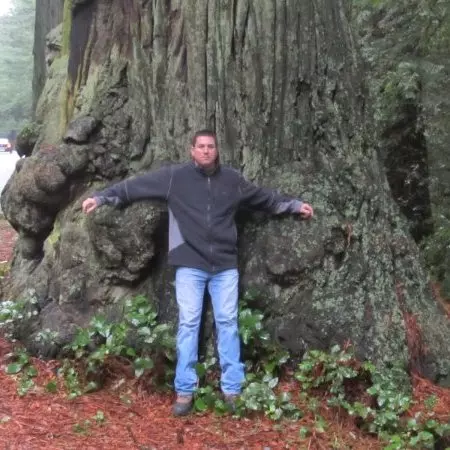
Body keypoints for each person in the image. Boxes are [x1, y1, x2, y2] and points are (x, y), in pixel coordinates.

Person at [82, 129, 314, 416]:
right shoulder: (175, 178)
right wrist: (103, 198)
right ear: (192, 150)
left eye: (210, 146)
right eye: (201, 146)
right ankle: (184, 391)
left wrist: (293, 206)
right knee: (189, 324)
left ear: (216, 151)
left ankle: (232, 389)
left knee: (228, 322)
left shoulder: (232, 180)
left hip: (224, 266)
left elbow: (263, 199)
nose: (206, 151)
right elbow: (135, 187)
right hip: (190, 265)